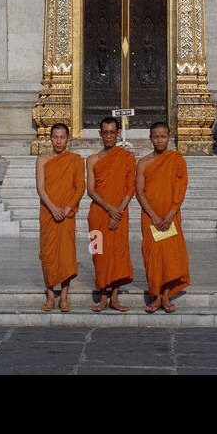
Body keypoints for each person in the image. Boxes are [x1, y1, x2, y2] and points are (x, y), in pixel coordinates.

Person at [135, 120, 189, 313]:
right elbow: (139, 192)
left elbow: (181, 188)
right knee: (152, 255)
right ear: (150, 139)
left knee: (169, 256)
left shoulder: (176, 160)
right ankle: (155, 296)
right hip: (151, 217)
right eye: (156, 137)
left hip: (171, 215)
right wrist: (155, 216)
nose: (159, 140)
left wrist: (171, 214)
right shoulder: (143, 163)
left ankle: (166, 295)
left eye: (163, 136)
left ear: (169, 138)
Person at [86, 115, 136, 312]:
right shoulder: (92, 160)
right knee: (99, 254)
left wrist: (119, 211)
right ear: (100, 134)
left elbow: (130, 188)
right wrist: (109, 209)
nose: (108, 136)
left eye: (112, 133)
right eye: (105, 132)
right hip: (98, 213)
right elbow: (90, 190)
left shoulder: (127, 158)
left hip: (120, 213)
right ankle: (103, 297)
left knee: (118, 254)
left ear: (118, 134)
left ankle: (114, 297)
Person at [36, 122, 86, 311]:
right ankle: (50, 294)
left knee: (66, 254)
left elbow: (80, 187)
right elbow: (40, 187)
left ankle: (64, 296)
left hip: (66, 214)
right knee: (48, 253)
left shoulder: (75, 160)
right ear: (50, 138)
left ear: (68, 138)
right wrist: (53, 207)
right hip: (48, 212)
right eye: (55, 137)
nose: (58, 140)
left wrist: (66, 208)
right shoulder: (42, 159)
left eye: (62, 137)